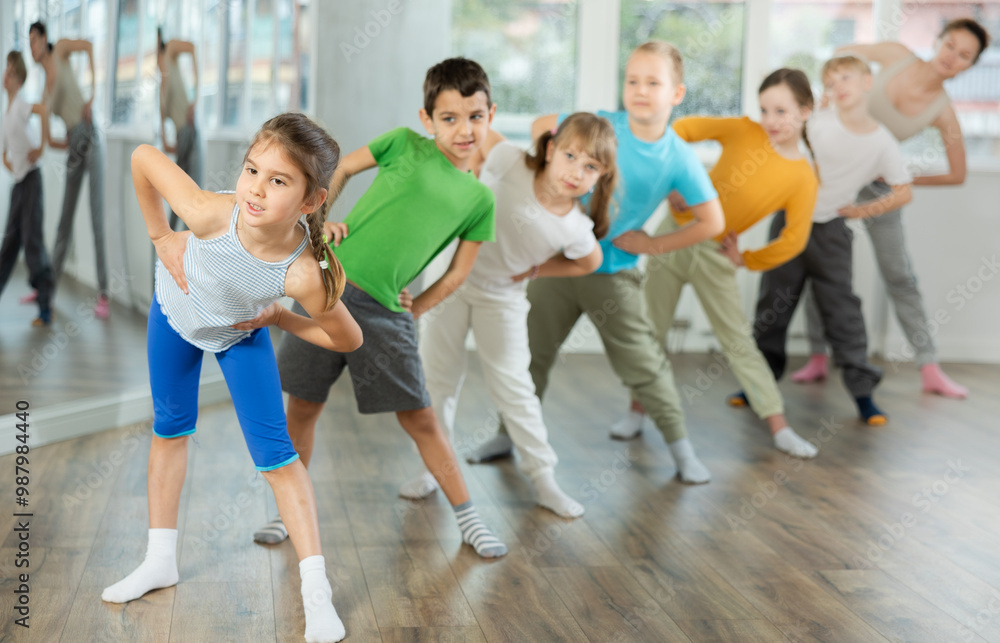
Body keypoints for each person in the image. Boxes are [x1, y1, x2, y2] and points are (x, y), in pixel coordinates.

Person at [102, 113, 363, 643]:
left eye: (279, 180)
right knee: (170, 429)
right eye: (252, 170)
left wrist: (283, 317)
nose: (256, 190)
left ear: (312, 201)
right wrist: (160, 236)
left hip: (238, 333)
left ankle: (317, 592)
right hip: (174, 314)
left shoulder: (303, 273)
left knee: (279, 458)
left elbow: (348, 339)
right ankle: (159, 560)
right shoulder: (206, 214)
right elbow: (142, 158)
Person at [253, 58, 507, 559]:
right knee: (302, 407)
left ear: (491, 115)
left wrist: (416, 310)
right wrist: (320, 224)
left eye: (475, 117)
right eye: (450, 117)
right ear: (426, 118)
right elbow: (342, 166)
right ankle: (286, 514)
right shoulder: (402, 144)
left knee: (422, 420)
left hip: (386, 313)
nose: (464, 129)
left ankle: (469, 518)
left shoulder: (480, 199)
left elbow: (457, 273)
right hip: (326, 290)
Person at [467, 41, 725, 484]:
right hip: (555, 266)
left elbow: (712, 222)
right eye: (632, 81)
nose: (640, 90)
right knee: (529, 358)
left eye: (653, 83)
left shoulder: (678, 156)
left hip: (613, 275)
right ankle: (506, 436)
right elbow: (542, 126)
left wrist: (651, 245)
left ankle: (682, 451)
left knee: (644, 364)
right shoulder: (601, 128)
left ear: (676, 94)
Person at [400, 113, 615, 516]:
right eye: (570, 156)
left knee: (515, 386)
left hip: (502, 297)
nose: (576, 172)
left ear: (600, 177)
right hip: (449, 279)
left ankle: (544, 479)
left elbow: (588, 262)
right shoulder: (510, 161)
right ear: (550, 150)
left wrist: (537, 270)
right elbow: (475, 136)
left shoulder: (575, 227)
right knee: (438, 378)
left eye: (590, 167)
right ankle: (431, 468)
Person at [617, 68, 819, 458]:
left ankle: (779, 427)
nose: (771, 121)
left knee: (738, 342)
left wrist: (745, 259)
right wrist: (675, 183)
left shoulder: (802, 178)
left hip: (714, 254)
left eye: (782, 111)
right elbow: (681, 130)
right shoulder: (745, 131)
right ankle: (636, 410)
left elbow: (794, 239)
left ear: (806, 111)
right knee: (651, 331)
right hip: (671, 236)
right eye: (765, 110)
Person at [792, 18, 992, 399]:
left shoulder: (943, 112)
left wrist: (903, 179)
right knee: (822, 267)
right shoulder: (895, 55)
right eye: (951, 45)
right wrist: (827, 100)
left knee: (899, 274)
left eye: (964, 55)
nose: (953, 57)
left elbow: (957, 174)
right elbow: (839, 55)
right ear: (938, 40)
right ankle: (818, 357)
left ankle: (929, 366)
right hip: (834, 173)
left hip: (879, 186)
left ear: (970, 65)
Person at [750, 55, 913, 426]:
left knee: (843, 312)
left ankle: (863, 396)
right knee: (772, 306)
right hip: (789, 222)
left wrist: (861, 211)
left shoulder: (882, 141)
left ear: (867, 82)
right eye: (831, 80)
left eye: (846, 78)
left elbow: (903, 191)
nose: (838, 86)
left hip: (832, 233)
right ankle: (756, 384)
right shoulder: (818, 122)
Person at [28, 21, 110, 318]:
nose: (32, 48)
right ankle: (47, 287)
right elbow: (49, 139)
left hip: (90, 131)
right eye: (29, 43)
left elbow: (88, 47)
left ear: (45, 39)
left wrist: (92, 95)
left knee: (95, 215)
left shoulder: (61, 49)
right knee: (64, 221)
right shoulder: (43, 94)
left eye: (35, 40)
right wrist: (69, 147)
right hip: (75, 145)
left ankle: (103, 295)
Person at [0, 50, 54, 326]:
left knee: (31, 241)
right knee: (9, 243)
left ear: (17, 79)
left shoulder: (20, 104)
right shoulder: (7, 112)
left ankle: (45, 308)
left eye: (9, 72)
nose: (5, 75)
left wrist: (41, 147)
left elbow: (43, 110)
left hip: (32, 180)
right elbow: (4, 154)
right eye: (5, 71)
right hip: (20, 184)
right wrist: (13, 166)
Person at [157, 28, 203, 231]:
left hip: (190, 131)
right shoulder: (160, 84)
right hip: (180, 136)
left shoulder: (170, 51)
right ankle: (171, 252)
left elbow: (192, 48)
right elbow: (163, 129)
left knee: (191, 199)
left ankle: (186, 254)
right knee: (180, 199)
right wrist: (168, 141)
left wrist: (195, 97)